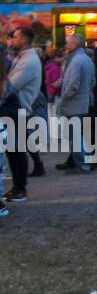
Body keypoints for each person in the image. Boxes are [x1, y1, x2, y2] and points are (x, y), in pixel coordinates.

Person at [3, 26, 44, 202]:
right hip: (14, 109)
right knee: (15, 151)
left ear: (25, 40)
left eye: (15, 37)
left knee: (17, 152)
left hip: (17, 109)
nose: (12, 40)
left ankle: (20, 188)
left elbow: (10, 86)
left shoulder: (28, 62)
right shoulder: (22, 58)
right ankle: (18, 187)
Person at [55, 34, 97, 173]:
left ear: (74, 44)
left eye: (68, 43)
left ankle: (83, 164)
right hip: (82, 102)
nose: (67, 46)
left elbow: (73, 85)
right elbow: (92, 82)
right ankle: (86, 161)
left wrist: (63, 98)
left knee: (75, 136)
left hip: (74, 104)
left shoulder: (76, 61)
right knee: (79, 134)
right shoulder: (86, 59)